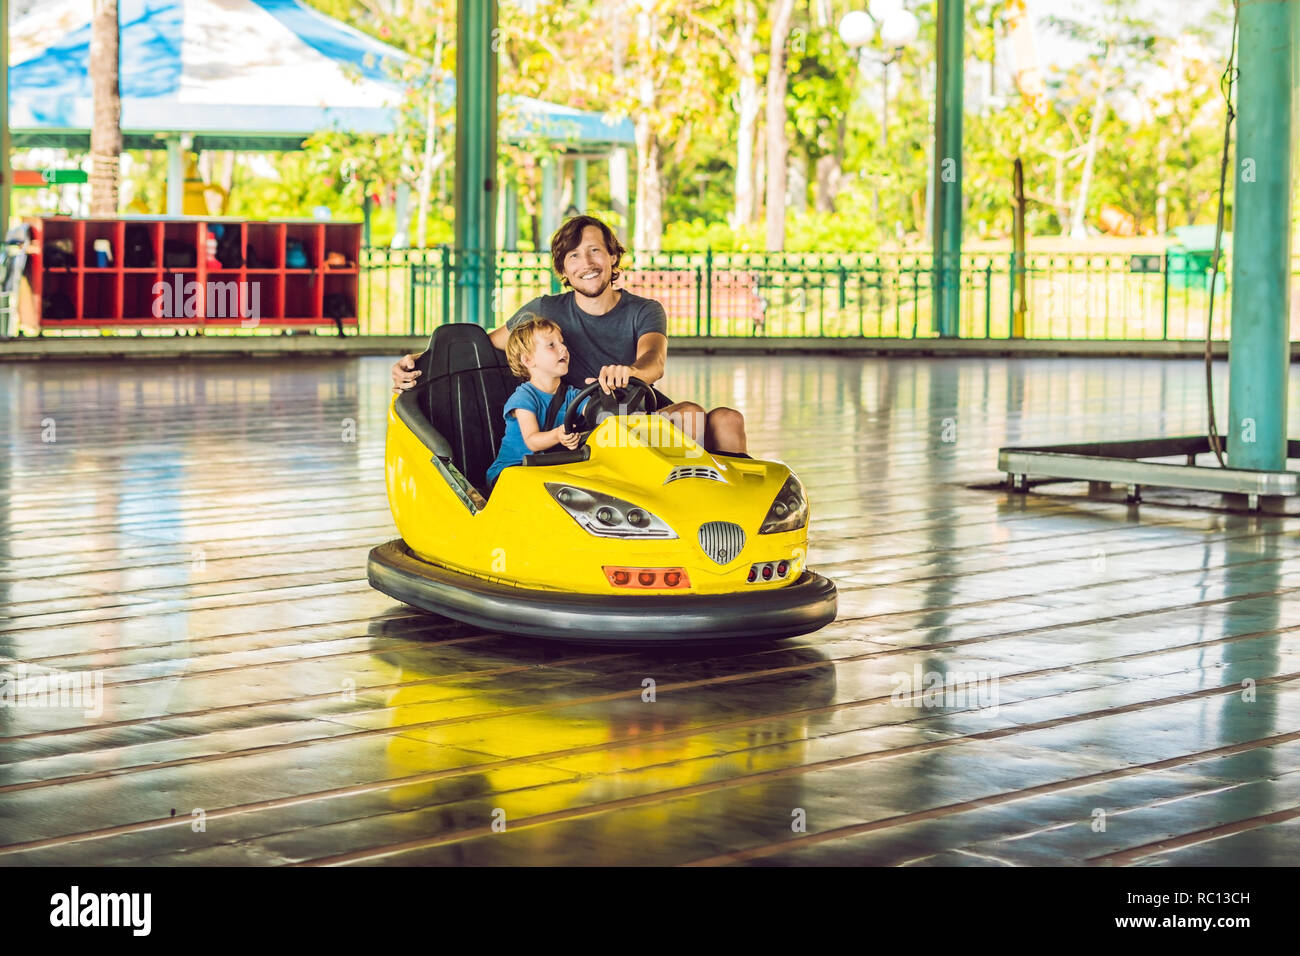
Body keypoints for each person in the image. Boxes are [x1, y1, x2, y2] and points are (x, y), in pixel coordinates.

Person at [391, 214, 747, 454]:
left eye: (595, 251)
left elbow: (653, 361)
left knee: (726, 420)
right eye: (574, 256)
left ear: (612, 257)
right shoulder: (545, 310)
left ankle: (733, 519)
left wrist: (630, 372)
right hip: (587, 426)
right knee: (690, 415)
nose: (586, 263)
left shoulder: (644, 310)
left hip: (638, 412)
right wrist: (418, 362)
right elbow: (482, 345)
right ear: (563, 268)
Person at [484, 315, 588, 493]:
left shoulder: (572, 394)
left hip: (545, 471)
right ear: (528, 360)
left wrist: (614, 406)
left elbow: (595, 410)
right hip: (512, 472)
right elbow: (532, 441)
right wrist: (558, 435)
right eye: (551, 345)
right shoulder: (523, 398)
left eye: (562, 342)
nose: (563, 348)